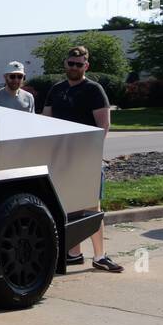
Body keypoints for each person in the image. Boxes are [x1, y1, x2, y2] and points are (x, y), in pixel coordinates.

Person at [43, 46, 122, 273]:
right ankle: (73, 253)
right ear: (65, 64)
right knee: (66, 205)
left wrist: (91, 155)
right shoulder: (56, 90)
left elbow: (103, 125)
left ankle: (99, 256)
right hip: (60, 158)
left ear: (86, 66)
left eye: (79, 64)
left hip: (87, 159)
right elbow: (45, 121)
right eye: (71, 63)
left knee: (91, 205)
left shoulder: (94, 90)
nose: (74, 68)